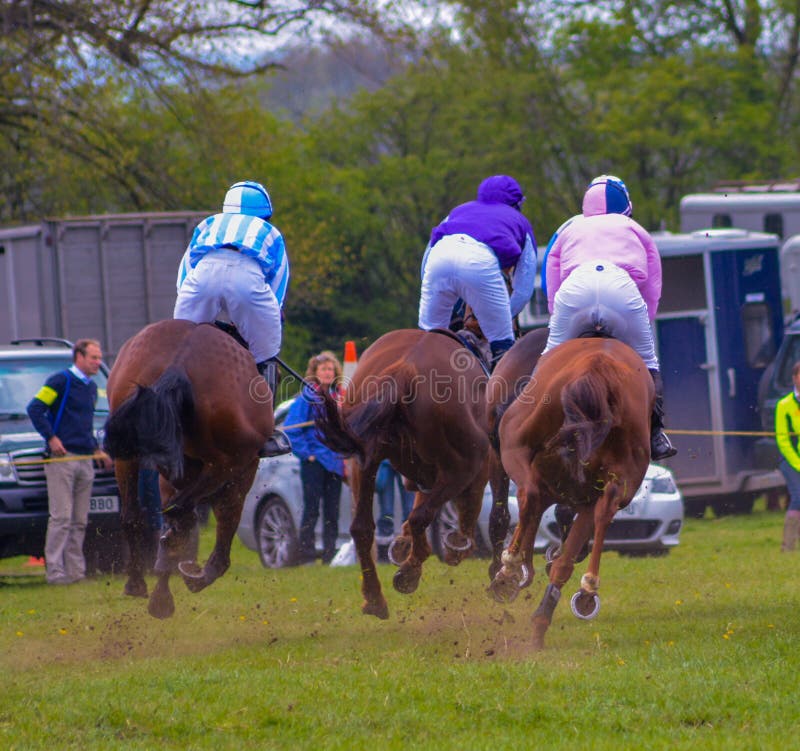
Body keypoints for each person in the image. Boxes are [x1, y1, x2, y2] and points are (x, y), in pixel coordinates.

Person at [541, 174, 677, 461]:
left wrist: (556, 312)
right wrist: (645, 318)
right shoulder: (636, 229)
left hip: (575, 289)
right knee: (648, 363)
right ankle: (656, 434)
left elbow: (551, 269)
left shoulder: (571, 228)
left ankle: (534, 424)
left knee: (548, 361)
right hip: (620, 289)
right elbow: (652, 285)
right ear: (626, 205)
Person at [174, 179, 291, 457]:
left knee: (180, 345)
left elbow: (186, 271)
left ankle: (171, 413)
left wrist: (188, 318)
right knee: (267, 353)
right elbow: (278, 284)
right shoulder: (271, 233)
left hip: (202, 276)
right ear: (264, 213)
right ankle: (266, 429)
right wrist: (268, 320)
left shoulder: (208, 224)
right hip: (247, 280)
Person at [418, 174, 538, 370]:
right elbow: (523, 291)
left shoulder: (459, 211)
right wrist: (497, 317)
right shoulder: (520, 221)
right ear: (516, 204)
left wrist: (446, 301)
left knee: (428, 341)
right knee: (503, 344)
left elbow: (426, 261)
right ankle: (502, 386)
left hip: (438, 260)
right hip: (479, 263)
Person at [26, 339, 112, 584]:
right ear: (79, 357)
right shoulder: (59, 381)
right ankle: (55, 572)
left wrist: (96, 450)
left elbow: (84, 424)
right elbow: (35, 408)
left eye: (99, 358)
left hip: (85, 459)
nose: (98, 362)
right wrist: (51, 438)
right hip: (62, 460)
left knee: (80, 520)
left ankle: (76, 572)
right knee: (61, 518)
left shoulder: (91, 387)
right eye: (94, 358)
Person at [284, 351, 346, 564]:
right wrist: (307, 454)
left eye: (330, 369)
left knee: (332, 511)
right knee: (311, 509)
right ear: (315, 372)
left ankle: (329, 554)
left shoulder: (340, 397)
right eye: (323, 369)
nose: (328, 372)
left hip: (335, 461)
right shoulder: (307, 397)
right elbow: (292, 429)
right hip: (315, 462)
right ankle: (306, 553)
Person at [775, 361, 800, 551]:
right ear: (794, 378)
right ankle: (788, 546)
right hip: (790, 459)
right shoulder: (784, 405)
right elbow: (783, 440)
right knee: (798, 495)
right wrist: (798, 464)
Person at [375, 459, 415, 562]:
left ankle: (409, 550)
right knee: (386, 513)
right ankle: (384, 553)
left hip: (405, 461)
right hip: (386, 461)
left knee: (409, 512)